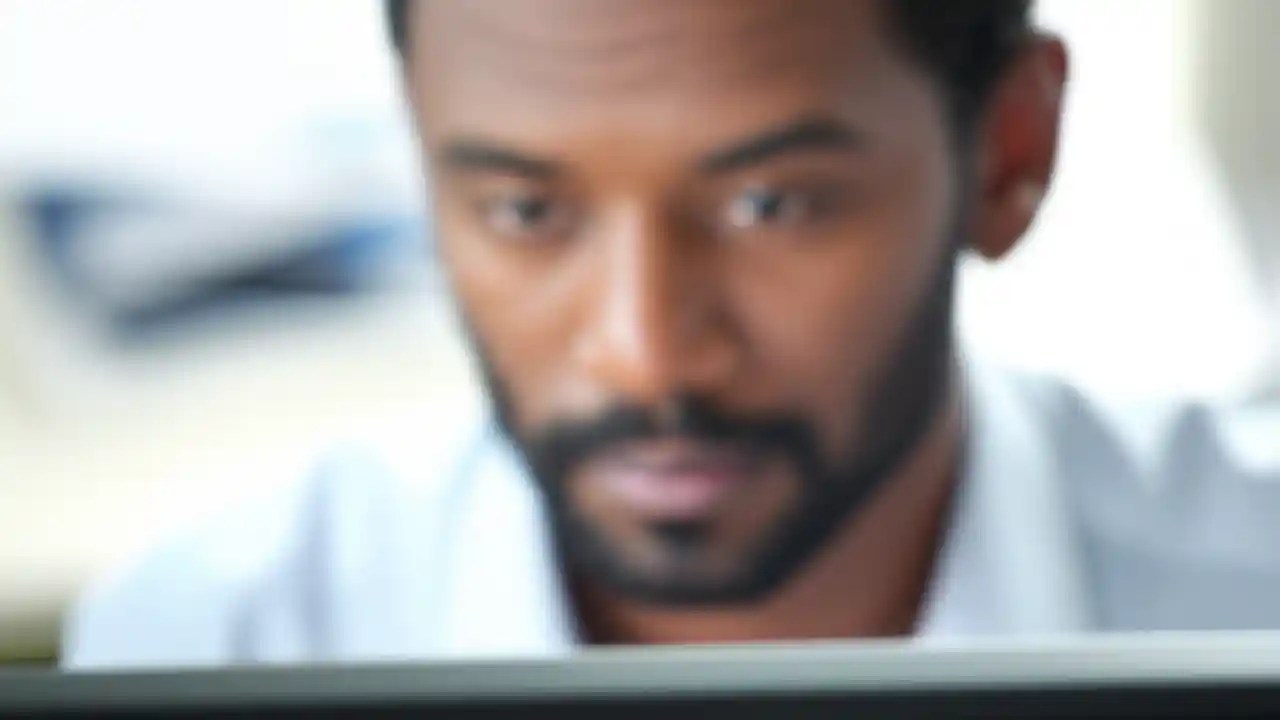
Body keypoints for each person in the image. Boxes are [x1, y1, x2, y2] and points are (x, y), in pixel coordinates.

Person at [63, 0, 1280, 668]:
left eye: (771, 205)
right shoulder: (218, 638)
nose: (644, 352)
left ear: (1006, 156)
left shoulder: (1253, 594)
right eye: (525, 212)